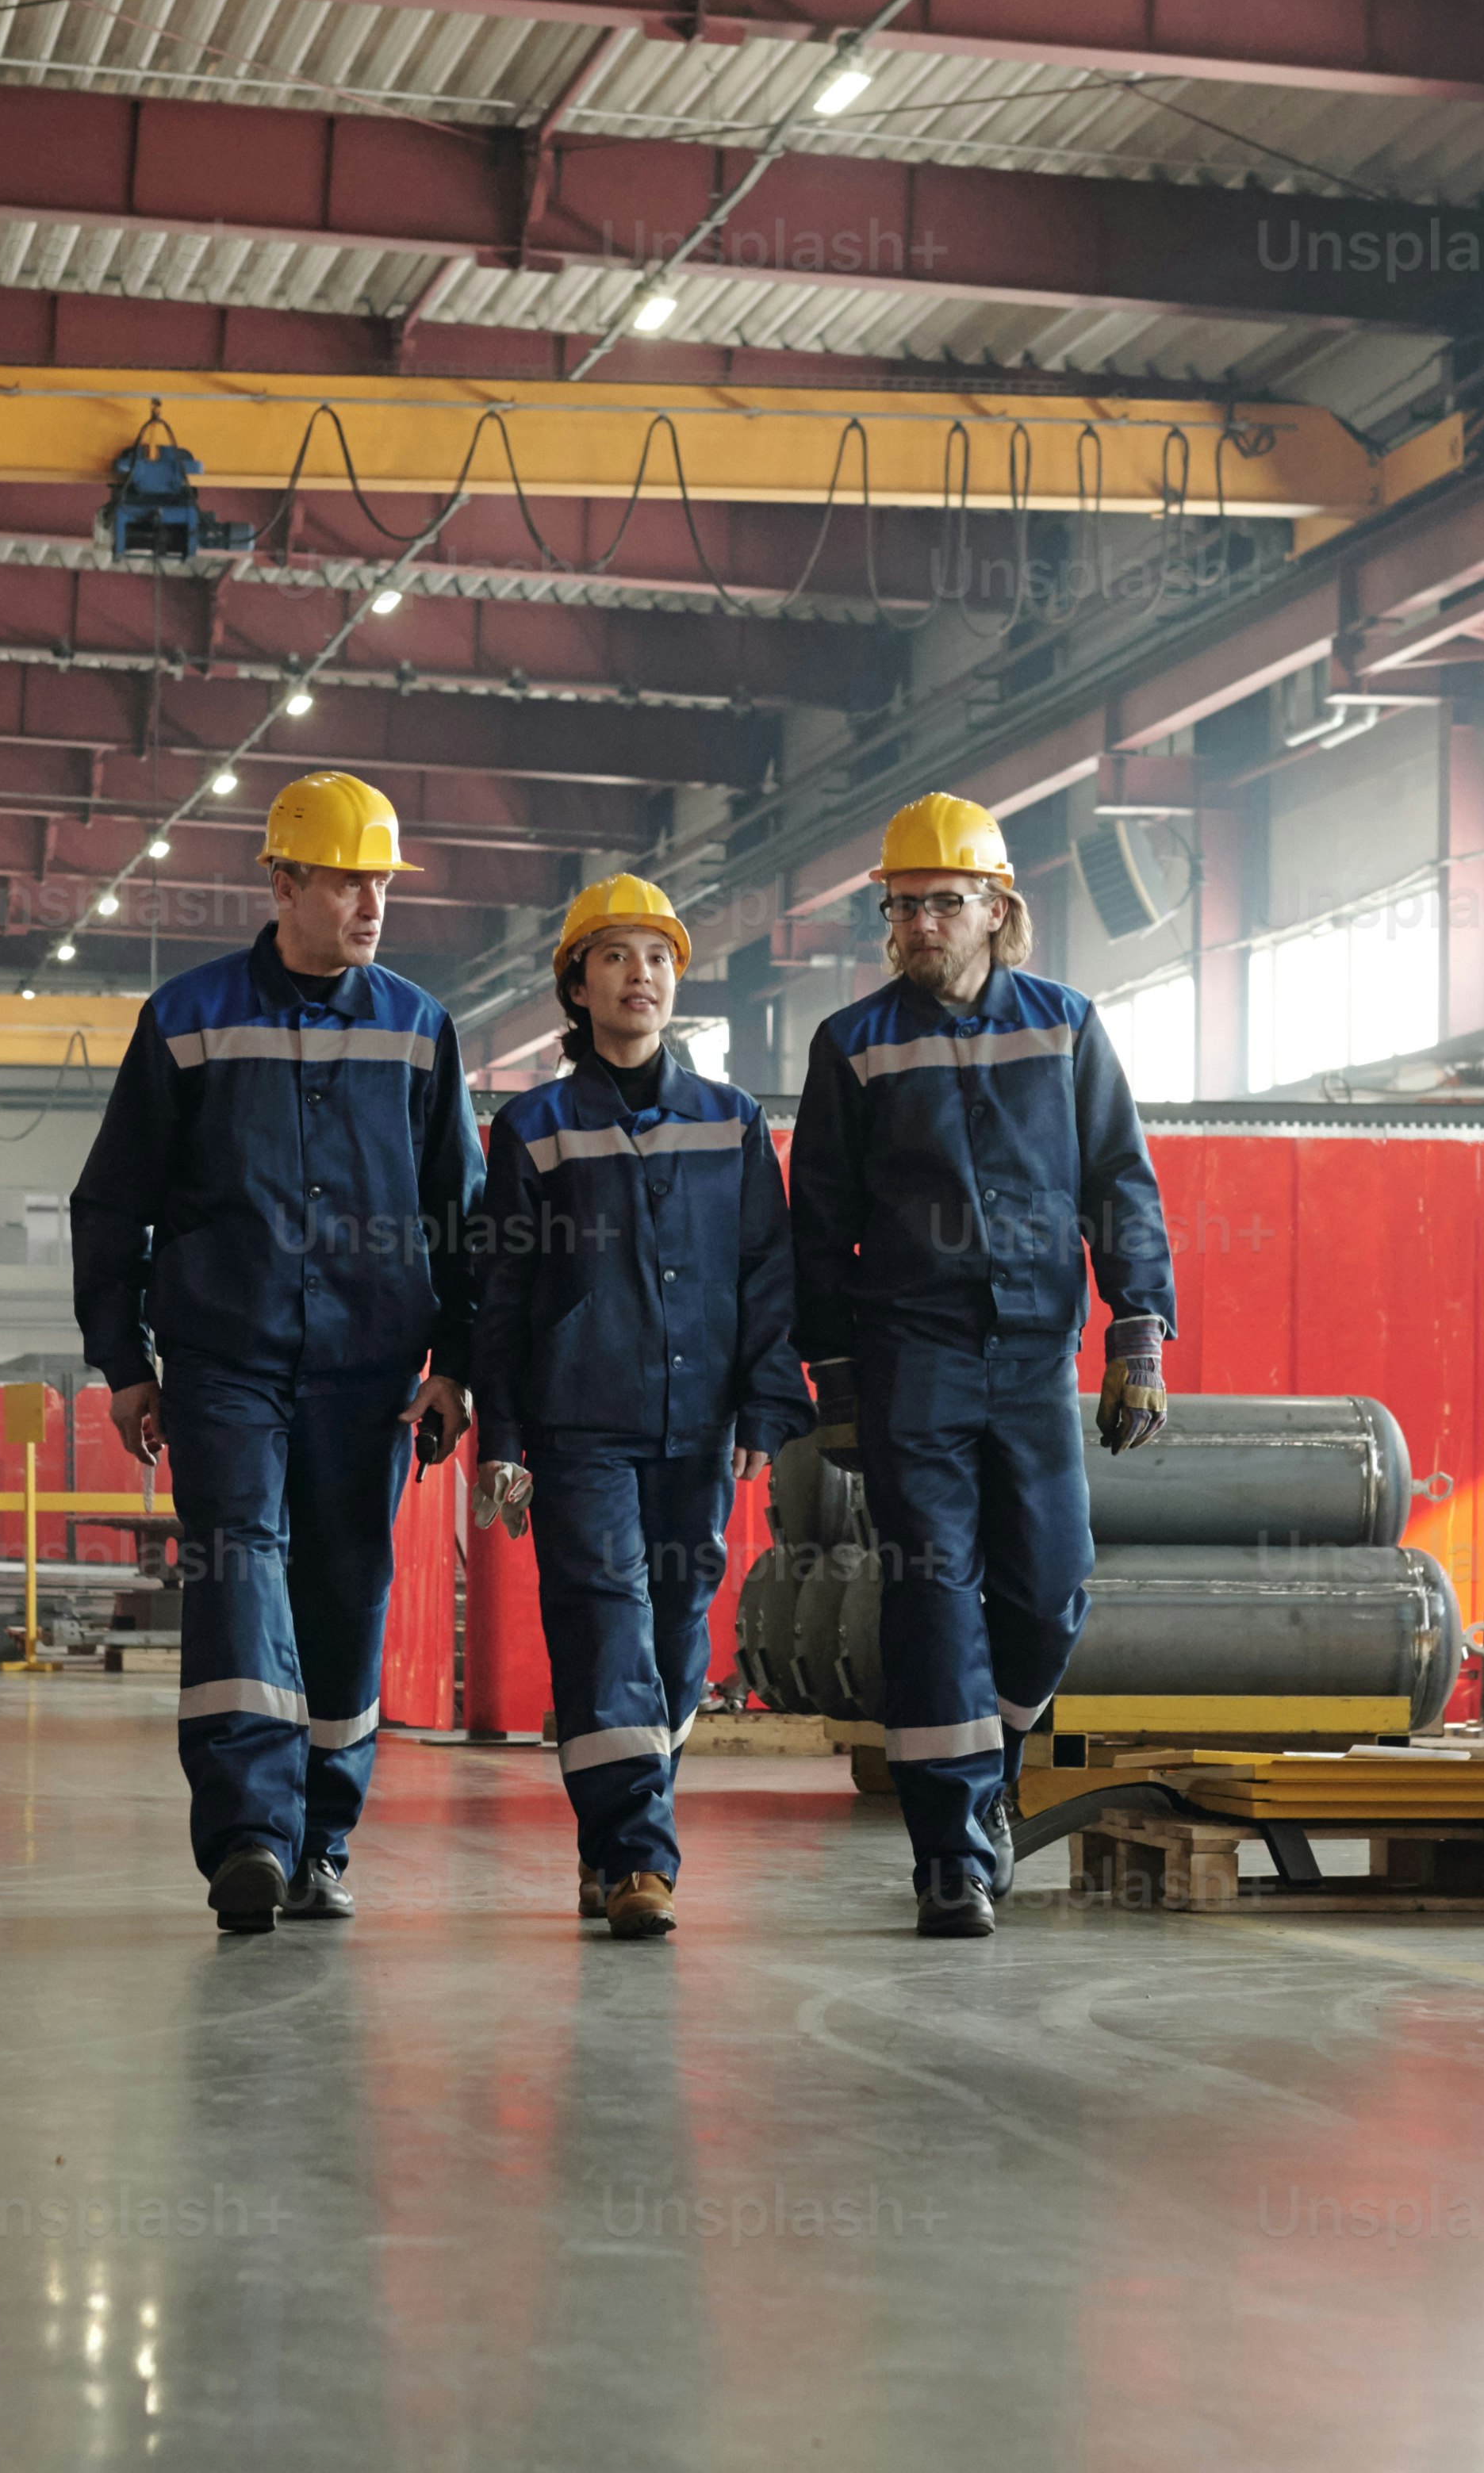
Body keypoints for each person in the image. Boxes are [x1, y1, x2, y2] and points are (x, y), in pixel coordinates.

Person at [67, 774, 476, 1938]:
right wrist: (126, 1362)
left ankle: (323, 1842)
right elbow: (113, 1206)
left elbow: (465, 1215)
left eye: (383, 882)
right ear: (284, 882)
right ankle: (251, 1832)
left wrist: (460, 1361)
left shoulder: (417, 1028)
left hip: (372, 1371)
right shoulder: (187, 1021)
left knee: (348, 1594)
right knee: (240, 1570)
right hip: (226, 1365)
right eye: (350, 879)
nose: (372, 903)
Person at [788, 793, 1174, 1939]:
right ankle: (950, 1855)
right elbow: (820, 1228)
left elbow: (1122, 1185)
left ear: (997, 909)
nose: (918, 925)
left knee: (1051, 1591)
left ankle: (991, 1765)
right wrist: (840, 1385)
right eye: (902, 907)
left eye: (941, 903)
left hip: (1035, 1361)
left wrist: (1138, 1332)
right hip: (915, 1363)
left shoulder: (1065, 1026)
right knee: (933, 1598)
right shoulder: (852, 1047)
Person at [470, 876, 806, 1944]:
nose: (641, 975)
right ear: (577, 984)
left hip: (698, 1424)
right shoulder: (533, 1126)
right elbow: (505, 1296)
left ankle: (609, 1831)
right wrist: (507, 1440)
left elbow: (767, 1272)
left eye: (657, 956)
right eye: (615, 956)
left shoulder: (732, 1121)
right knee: (604, 1622)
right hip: (581, 1429)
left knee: (675, 1641)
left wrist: (765, 1404)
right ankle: (637, 1861)